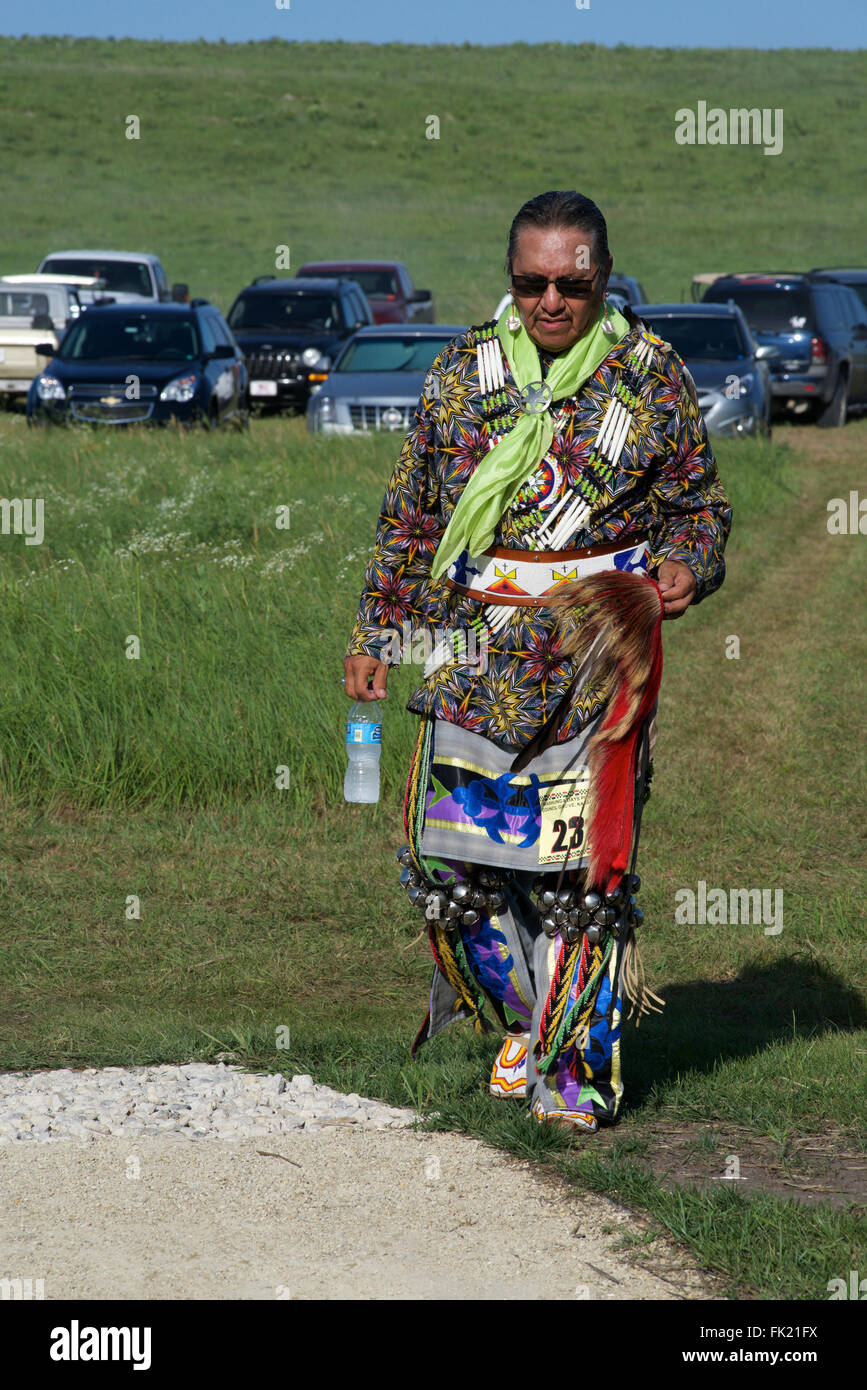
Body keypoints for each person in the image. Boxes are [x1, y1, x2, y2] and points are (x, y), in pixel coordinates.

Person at [344, 190, 731, 1131]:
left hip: (595, 658)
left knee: (579, 880)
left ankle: (575, 1082)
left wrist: (687, 563)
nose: (549, 301)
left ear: (602, 275)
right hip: (468, 647)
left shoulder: (650, 375)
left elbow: (700, 506)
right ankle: (527, 1019)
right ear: (508, 278)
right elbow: (411, 519)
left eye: (571, 283)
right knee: (455, 873)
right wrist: (376, 633)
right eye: (529, 283)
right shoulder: (460, 374)